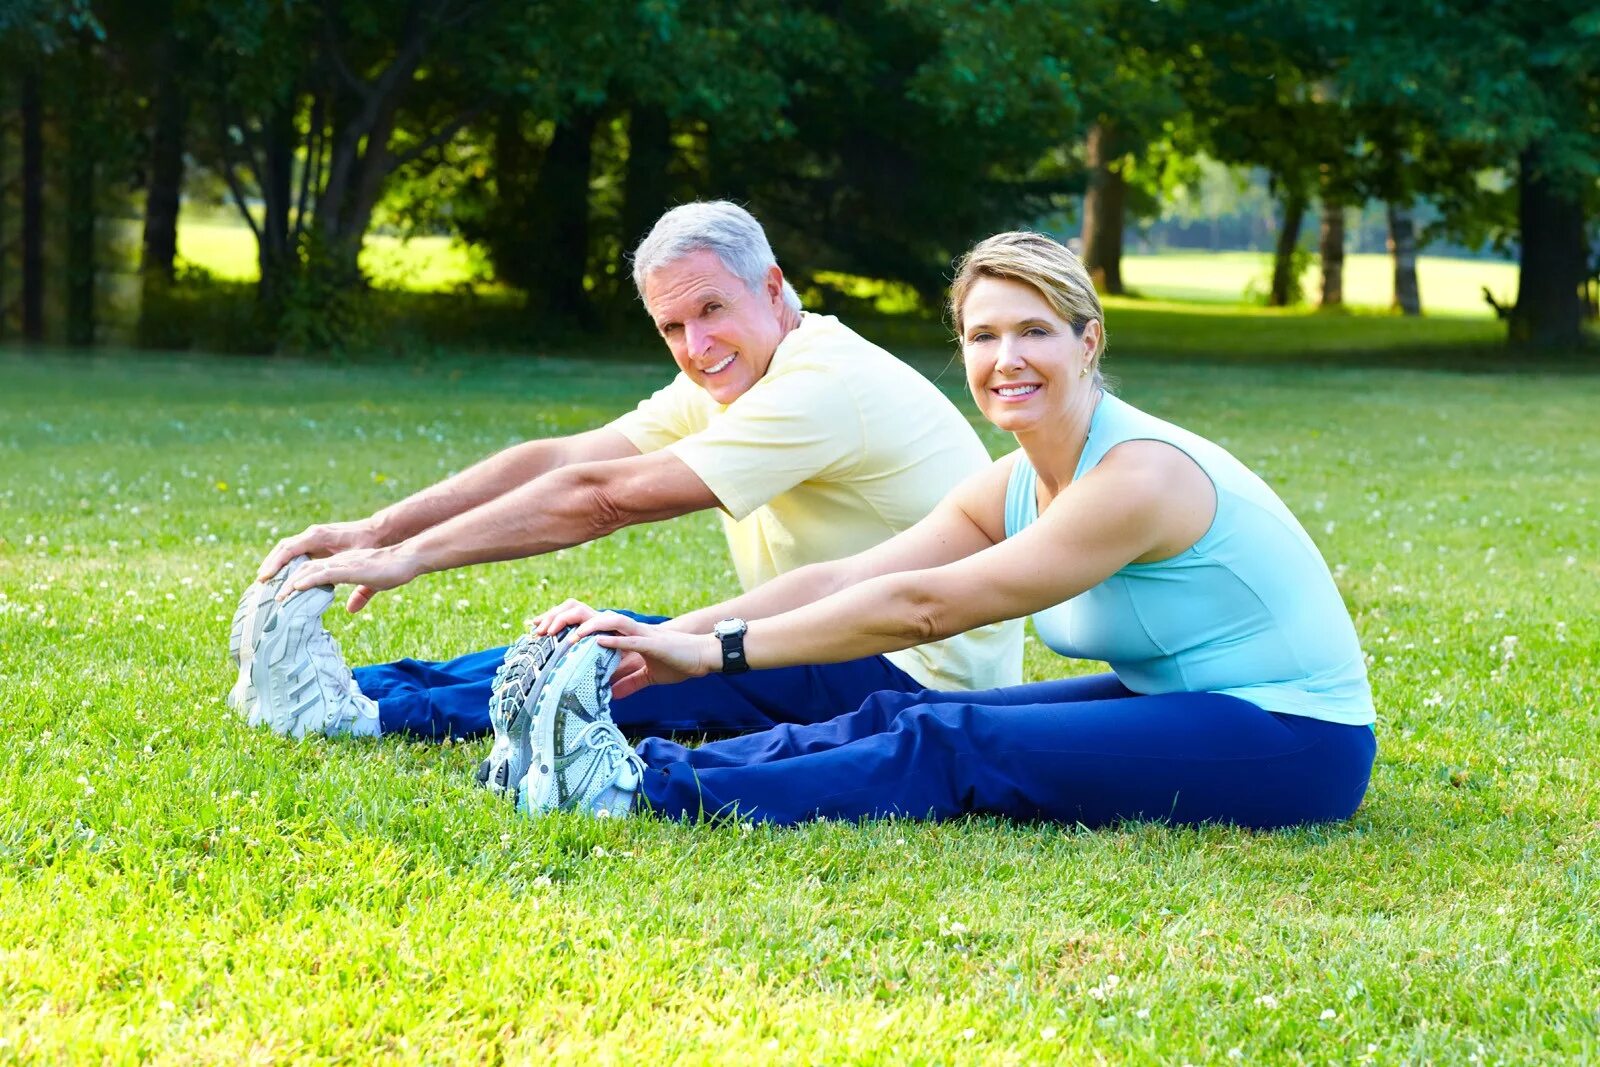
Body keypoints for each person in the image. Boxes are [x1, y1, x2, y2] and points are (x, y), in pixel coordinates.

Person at [515, 230, 1377, 829]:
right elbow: (846, 579)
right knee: (902, 710)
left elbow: (928, 607)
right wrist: (664, 634)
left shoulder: (1137, 476)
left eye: (1034, 331)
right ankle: (613, 765)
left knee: (954, 739)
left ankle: (639, 792)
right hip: (1187, 701)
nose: (1006, 358)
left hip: (1292, 739)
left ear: (1088, 341)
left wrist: (710, 654)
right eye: (983, 334)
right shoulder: (1016, 480)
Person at [231, 201, 1020, 796]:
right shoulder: (740, 371)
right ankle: (358, 690)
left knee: (614, 653)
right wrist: (375, 527)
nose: (696, 346)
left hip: (911, 673)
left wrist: (407, 558)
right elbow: (569, 456)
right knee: (607, 639)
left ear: (772, 288)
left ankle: (362, 715)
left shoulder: (823, 384)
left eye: (712, 310)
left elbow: (603, 498)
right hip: (822, 632)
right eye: (672, 325)